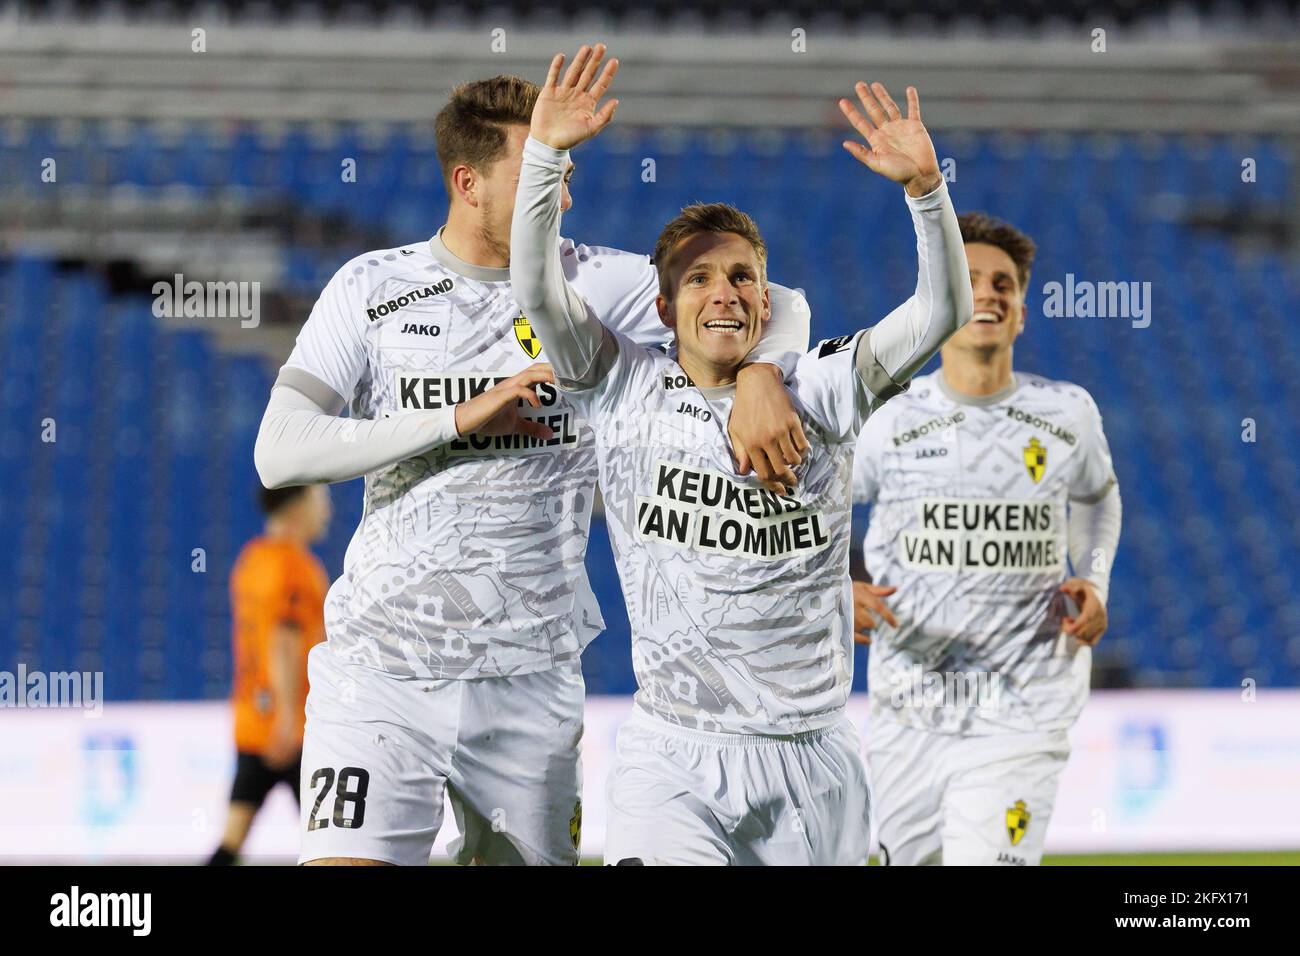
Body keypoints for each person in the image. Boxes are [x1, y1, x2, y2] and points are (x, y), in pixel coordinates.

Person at [253, 54, 812, 866]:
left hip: (530, 674)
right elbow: (281, 450)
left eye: (569, 166)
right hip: (384, 666)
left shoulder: (602, 283)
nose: (564, 190)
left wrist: (763, 371)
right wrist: (455, 417)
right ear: (466, 181)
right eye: (540, 163)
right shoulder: (370, 286)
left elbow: (781, 299)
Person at [510, 45, 972, 863]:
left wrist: (926, 193)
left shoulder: (823, 387)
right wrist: (546, 155)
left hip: (814, 758)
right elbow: (539, 290)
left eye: (742, 276)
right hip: (673, 753)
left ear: (768, 297)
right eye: (697, 279)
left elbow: (939, 313)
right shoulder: (620, 384)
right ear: (663, 304)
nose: (722, 290)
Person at [850, 211, 1123, 865]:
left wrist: (1094, 575)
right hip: (908, 706)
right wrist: (840, 587)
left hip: (1023, 703)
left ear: (1022, 311)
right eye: (970, 282)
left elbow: (1097, 497)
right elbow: (812, 507)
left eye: (1004, 284)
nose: (990, 294)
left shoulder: (1067, 412)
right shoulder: (886, 417)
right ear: (943, 306)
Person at [208, 484, 331, 866]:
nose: (326, 511)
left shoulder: (252, 560)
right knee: (333, 840)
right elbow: (284, 639)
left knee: (232, 839)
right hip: (291, 726)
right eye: (319, 498)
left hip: (252, 719)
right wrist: (289, 717)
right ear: (297, 507)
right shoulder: (292, 565)